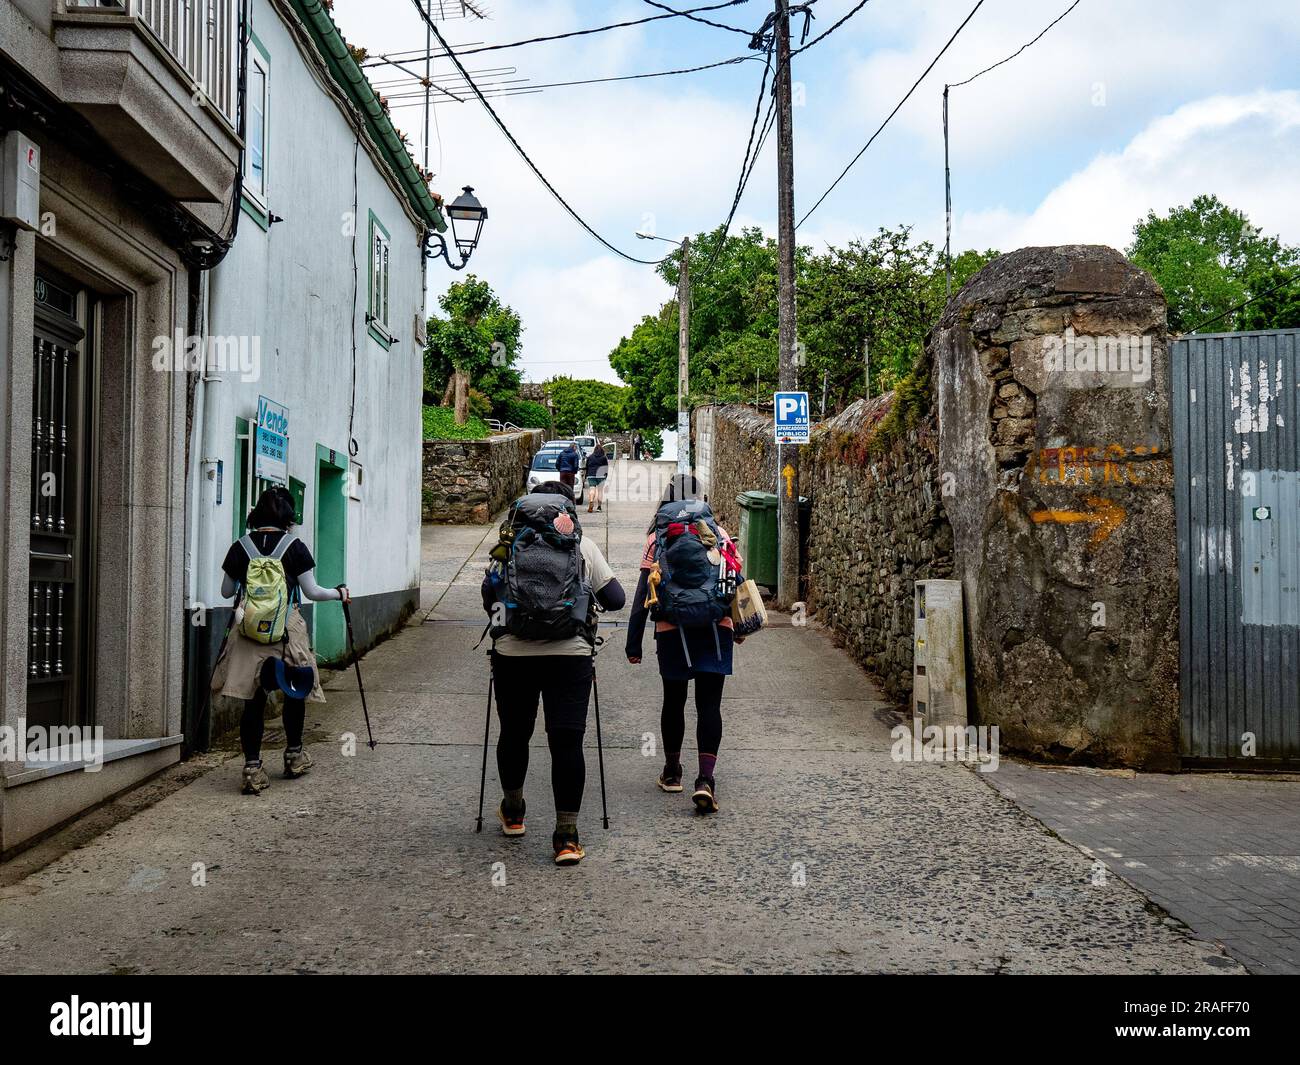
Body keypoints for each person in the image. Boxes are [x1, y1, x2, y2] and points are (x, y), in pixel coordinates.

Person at [482, 481, 625, 865]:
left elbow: (488, 599)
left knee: (514, 733)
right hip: (570, 654)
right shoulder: (582, 547)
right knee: (566, 743)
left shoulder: (507, 546)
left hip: (512, 654)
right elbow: (616, 599)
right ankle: (566, 837)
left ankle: (513, 812)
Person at [213, 485, 350, 795]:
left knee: (253, 699)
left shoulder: (241, 547)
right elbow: (313, 592)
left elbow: (225, 592)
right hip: (287, 629)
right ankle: (294, 755)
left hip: (249, 630)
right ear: (288, 516)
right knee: (295, 690)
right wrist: (339, 593)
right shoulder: (294, 546)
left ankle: (251, 768)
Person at [625, 474, 743, 814]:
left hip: (671, 627)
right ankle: (706, 780)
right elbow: (734, 579)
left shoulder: (657, 538)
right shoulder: (718, 535)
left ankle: (673, 772)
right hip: (714, 626)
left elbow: (641, 595)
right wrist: (738, 626)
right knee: (709, 704)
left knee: (673, 701)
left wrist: (634, 644)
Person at [584, 442, 609, 513]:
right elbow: (606, 468)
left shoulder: (590, 457)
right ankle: (599, 507)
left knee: (592, 489)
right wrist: (606, 475)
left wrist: (586, 475)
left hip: (591, 474)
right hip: (601, 475)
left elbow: (587, 466)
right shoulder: (604, 458)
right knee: (600, 491)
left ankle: (591, 500)